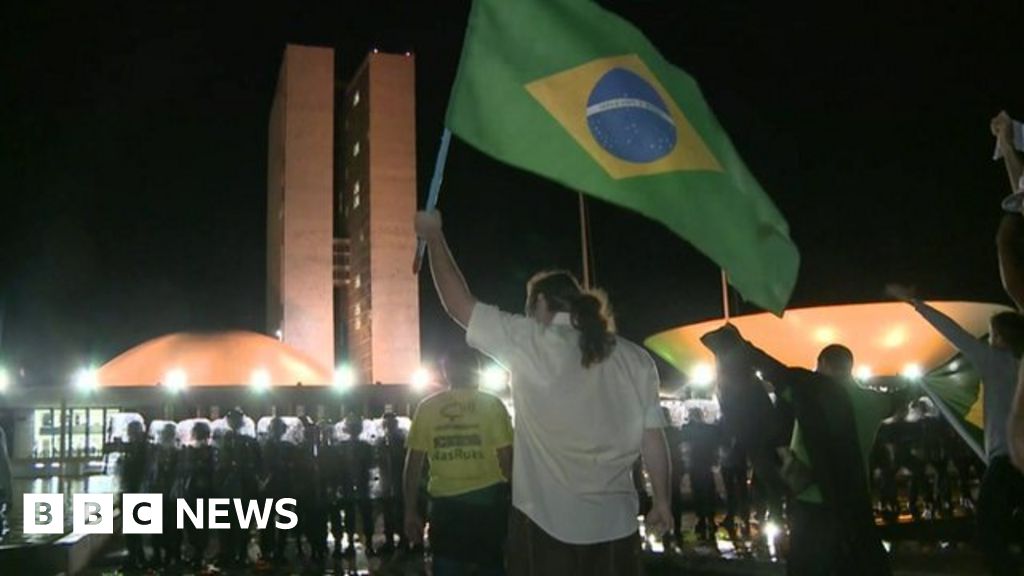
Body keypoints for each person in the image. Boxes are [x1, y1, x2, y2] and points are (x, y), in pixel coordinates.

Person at [414, 210, 673, 576]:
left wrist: (434, 236)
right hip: (616, 527)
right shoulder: (635, 359)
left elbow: (459, 305)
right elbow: (653, 440)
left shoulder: (529, 340)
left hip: (546, 525)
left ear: (539, 303)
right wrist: (662, 501)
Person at [702, 325, 903, 576]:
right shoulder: (874, 401)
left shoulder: (809, 392)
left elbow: (775, 372)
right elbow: (898, 401)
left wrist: (738, 347)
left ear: (823, 364)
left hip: (811, 500)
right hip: (854, 500)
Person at [889, 284, 1024, 575]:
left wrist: (917, 303)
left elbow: (955, 333)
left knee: (988, 530)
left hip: (1005, 460)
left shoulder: (992, 360)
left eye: (992, 334)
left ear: (1001, 338)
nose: (989, 339)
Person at [404, 346, 513, 576]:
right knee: (490, 567)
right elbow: (507, 461)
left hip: (446, 509)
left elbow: (413, 465)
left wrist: (410, 511)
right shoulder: (491, 405)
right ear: (477, 371)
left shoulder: (428, 408)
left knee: (448, 567)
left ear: (446, 373)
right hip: (487, 506)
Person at [214, 408, 261, 567]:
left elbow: (256, 464)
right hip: (226, 489)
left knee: (242, 525)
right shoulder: (222, 440)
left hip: (243, 488)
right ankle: (226, 554)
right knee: (224, 525)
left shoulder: (249, 441)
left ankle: (240, 554)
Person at [335, 413, 375, 558]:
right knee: (352, 516)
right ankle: (355, 543)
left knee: (363, 516)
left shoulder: (362, 446)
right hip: (351, 485)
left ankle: (366, 544)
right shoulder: (344, 446)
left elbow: (371, 464)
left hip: (361, 485)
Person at [680, 407, 721, 541]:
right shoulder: (709, 429)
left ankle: (702, 519)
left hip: (695, 464)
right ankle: (710, 518)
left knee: (698, 491)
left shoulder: (688, 429)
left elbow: (683, 441)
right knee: (709, 491)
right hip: (706, 464)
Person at [260, 417, 295, 564]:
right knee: (267, 522)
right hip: (271, 488)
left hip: (281, 488)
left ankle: (277, 551)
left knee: (281, 523)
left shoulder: (286, 447)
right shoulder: (266, 445)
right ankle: (268, 551)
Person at [180, 421, 215, 569]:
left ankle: (198, 555)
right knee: (195, 526)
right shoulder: (191, 450)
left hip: (200, 493)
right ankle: (197, 554)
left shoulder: (209, 451)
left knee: (199, 527)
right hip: (195, 493)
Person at [147, 423, 181, 567]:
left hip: (170, 495)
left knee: (171, 527)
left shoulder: (177, 453)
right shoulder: (157, 452)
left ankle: (169, 555)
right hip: (160, 494)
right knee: (160, 527)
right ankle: (161, 555)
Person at [120, 420, 150, 570]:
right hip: (132, 490)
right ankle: (137, 557)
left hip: (136, 490)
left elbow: (139, 469)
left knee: (135, 529)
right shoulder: (136, 448)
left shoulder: (141, 449)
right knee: (133, 529)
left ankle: (136, 558)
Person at [377, 411, 407, 555]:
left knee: (399, 512)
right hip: (388, 481)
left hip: (398, 481)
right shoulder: (383, 440)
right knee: (388, 512)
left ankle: (403, 540)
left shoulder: (401, 440)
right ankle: (390, 540)